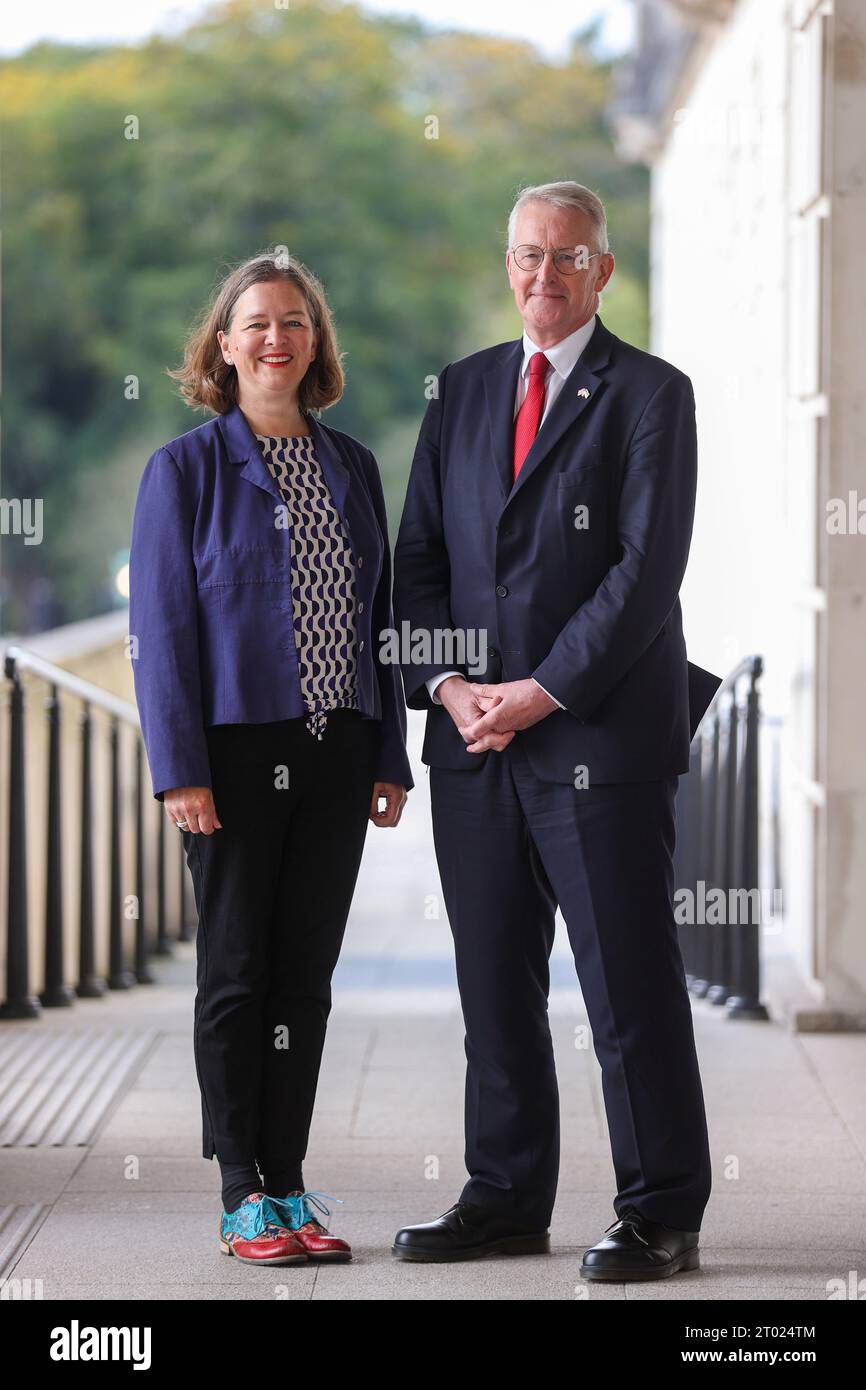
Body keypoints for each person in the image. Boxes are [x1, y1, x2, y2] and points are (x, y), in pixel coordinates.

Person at [391, 181, 718, 1280]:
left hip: (596, 737)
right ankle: (502, 1196)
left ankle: (659, 1210)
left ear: (602, 271)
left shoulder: (651, 395)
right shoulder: (464, 391)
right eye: (528, 255)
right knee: (492, 982)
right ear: (506, 262)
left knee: (625, 984)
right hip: (470, 739)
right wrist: (447, 686)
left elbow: (642, 574)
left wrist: (538, 689)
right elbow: (419, 562)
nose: (544, 276)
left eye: (567, 258)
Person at [129, 249, 412, 1266]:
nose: (274, 338)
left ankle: (289, 1183)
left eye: (293, 322)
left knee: (306, 977)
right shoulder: (185, 471)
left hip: (337, 748)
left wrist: (390, 751)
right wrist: (180, 768)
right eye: (255, 322)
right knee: (238, 971)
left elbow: (380, 620)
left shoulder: (353, 468)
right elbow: (160, 632)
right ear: (222, 344)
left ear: (314, 344)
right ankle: (240, 1190)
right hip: (234, 755)